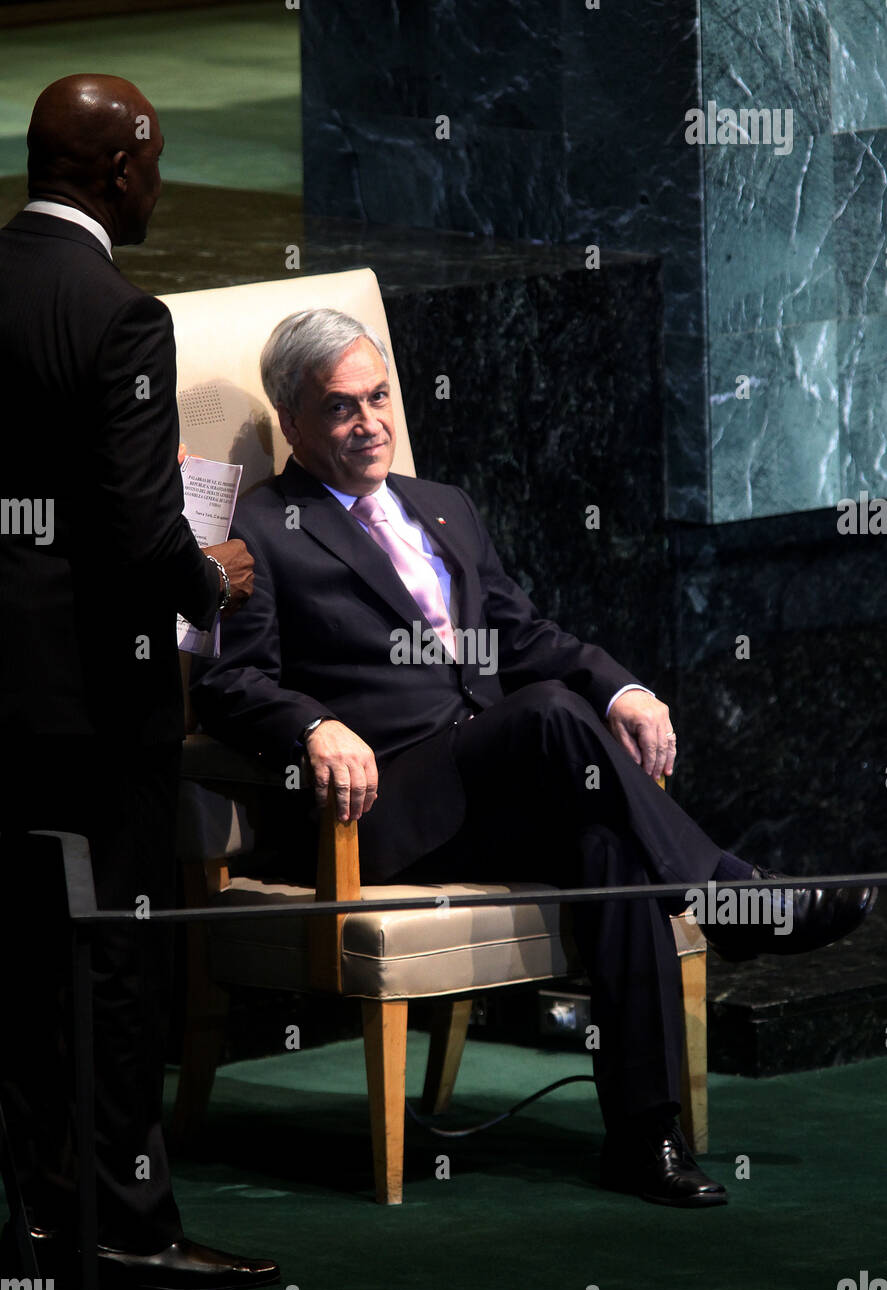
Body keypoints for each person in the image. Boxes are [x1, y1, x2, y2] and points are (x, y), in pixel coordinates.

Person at [190, 308, 876, 1210]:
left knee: (612, 851)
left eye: (379, 397)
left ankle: (646, 1137)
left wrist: (624, 689)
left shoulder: (443, 505)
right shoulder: (260, 530)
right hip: (383, 810)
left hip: (495, 795)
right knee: (549, 715)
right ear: (293, 418)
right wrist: (313, 725)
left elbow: (525, 635)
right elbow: (230, 682)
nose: (371, 423)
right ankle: (727, 894)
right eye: (340, 409)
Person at [0, 74, 278, 1290]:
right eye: (153, 166)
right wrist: (210, 577)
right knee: (113, 958)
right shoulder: (118, 314)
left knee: (19, 958)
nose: (158, 187)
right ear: (121, 174)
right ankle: (129, 1224)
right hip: (89, 706)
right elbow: (130, 520)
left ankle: (45, 1213)